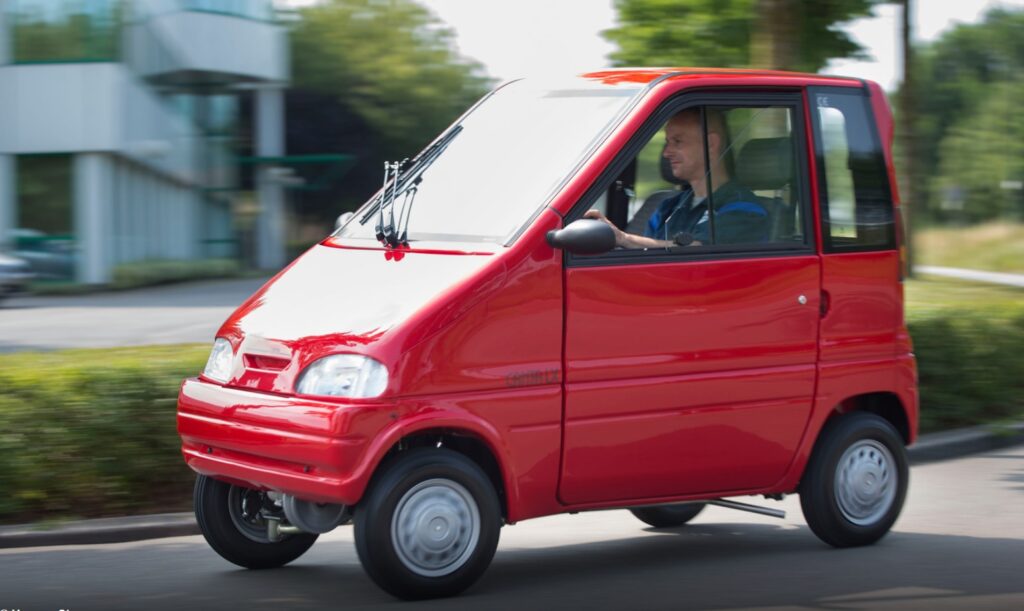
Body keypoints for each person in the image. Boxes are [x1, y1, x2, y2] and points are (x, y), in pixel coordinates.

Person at [585, 107, 768, 248]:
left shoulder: (745, 209)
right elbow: (648, 259)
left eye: (677, 142)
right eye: (667, 143)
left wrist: (623, 239)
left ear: (710, 144)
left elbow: (698, 253)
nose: (666, 153)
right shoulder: (667, 207)